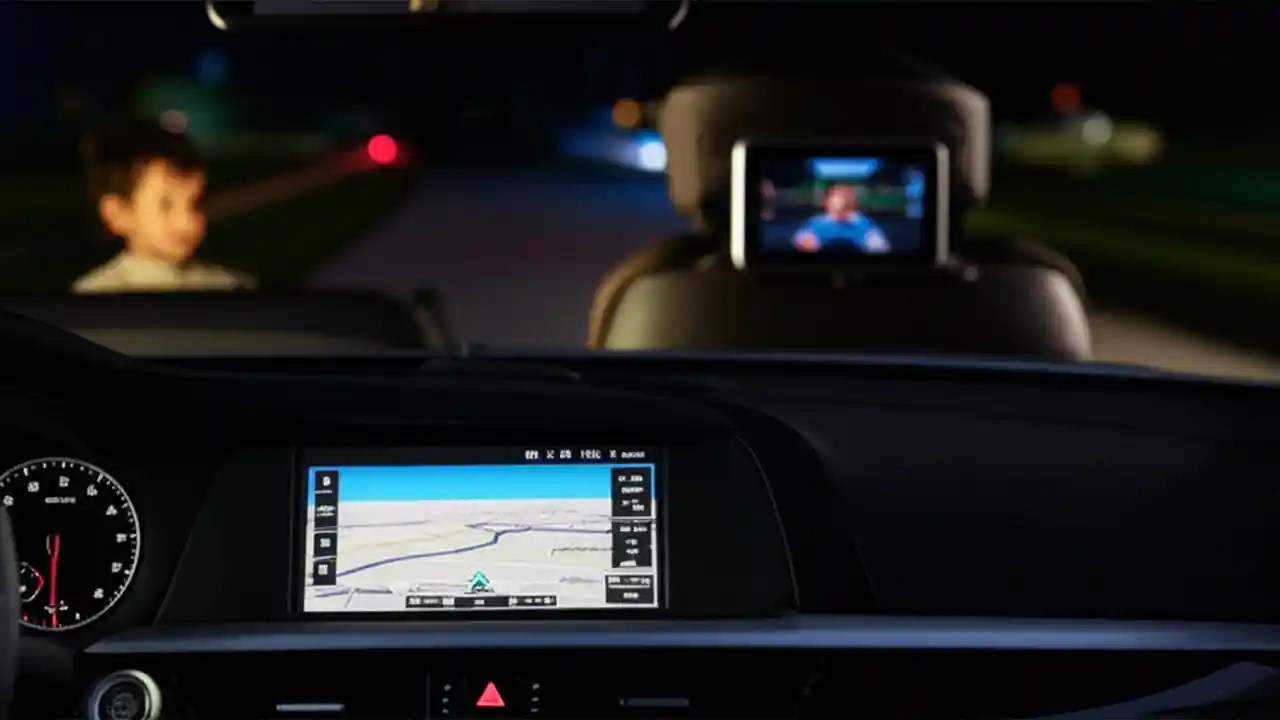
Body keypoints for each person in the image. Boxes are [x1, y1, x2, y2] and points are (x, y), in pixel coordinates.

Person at [71, 120, 255, 294]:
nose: (187, 222)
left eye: (195, 203)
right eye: (166, 205)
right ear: (118, 213)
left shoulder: (231, 289)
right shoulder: (93, 296)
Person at [791, 183, 890, 254]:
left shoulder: (863, 224)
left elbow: (879, 246)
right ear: (827, 203)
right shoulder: (818, 222)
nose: (838, 203)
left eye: (843, 198)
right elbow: (801, 240)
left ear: (853, 204)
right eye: (833, 199)